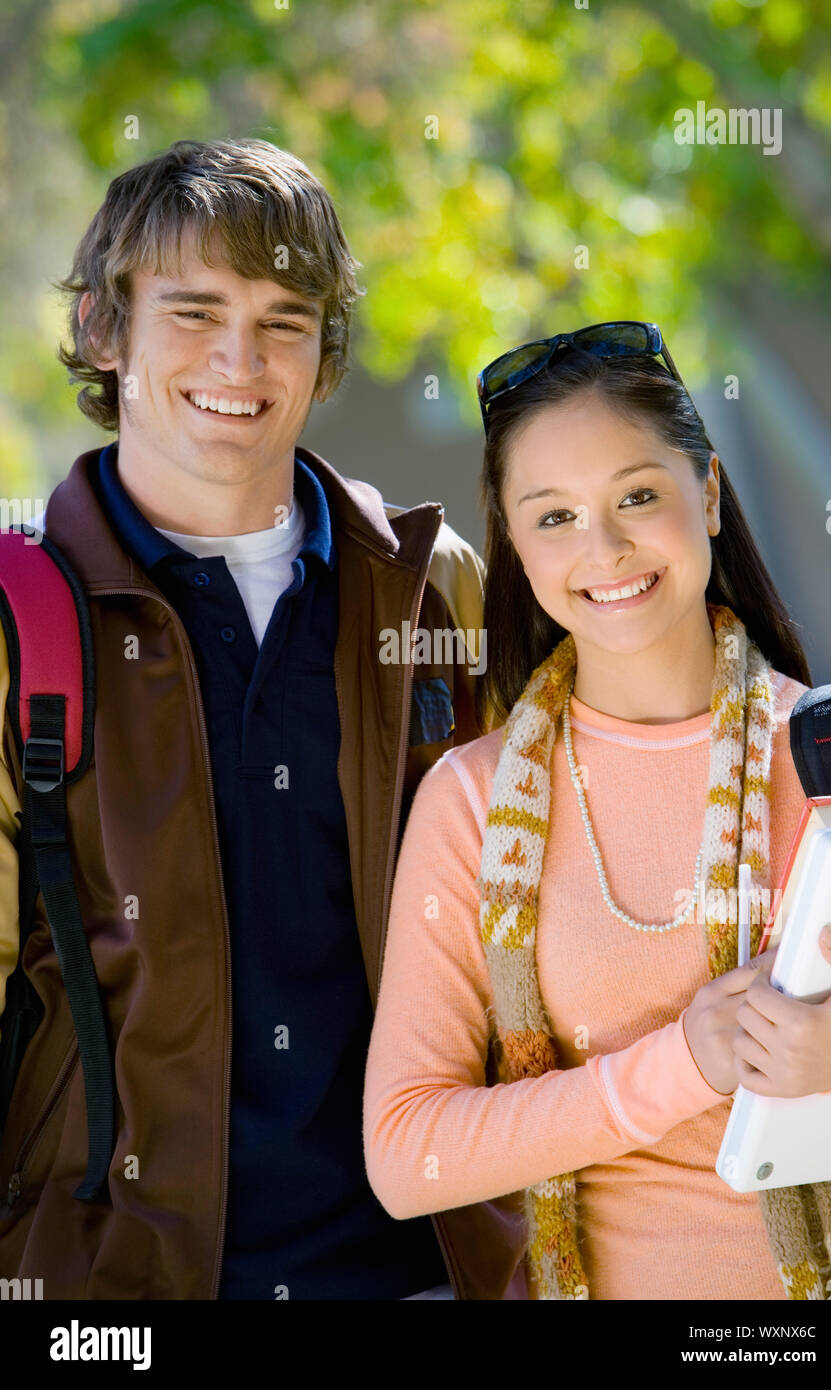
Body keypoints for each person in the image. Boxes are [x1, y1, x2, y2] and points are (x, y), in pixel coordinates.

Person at [0, 136, 499, 1300]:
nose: (240, 355)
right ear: (104, 327)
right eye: (193, 309)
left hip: (422, 1271)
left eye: (285, 316)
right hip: (106, 1287)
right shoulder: (18, 620)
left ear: (324, 353)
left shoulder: (437, 589)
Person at [363, 321, 831, 1300]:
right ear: (511, 539)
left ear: (708, 492)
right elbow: (404, 1154)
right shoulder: (469, 801)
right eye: (552, 517)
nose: (603, 548)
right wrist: (682, 1062)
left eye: (638, 495)